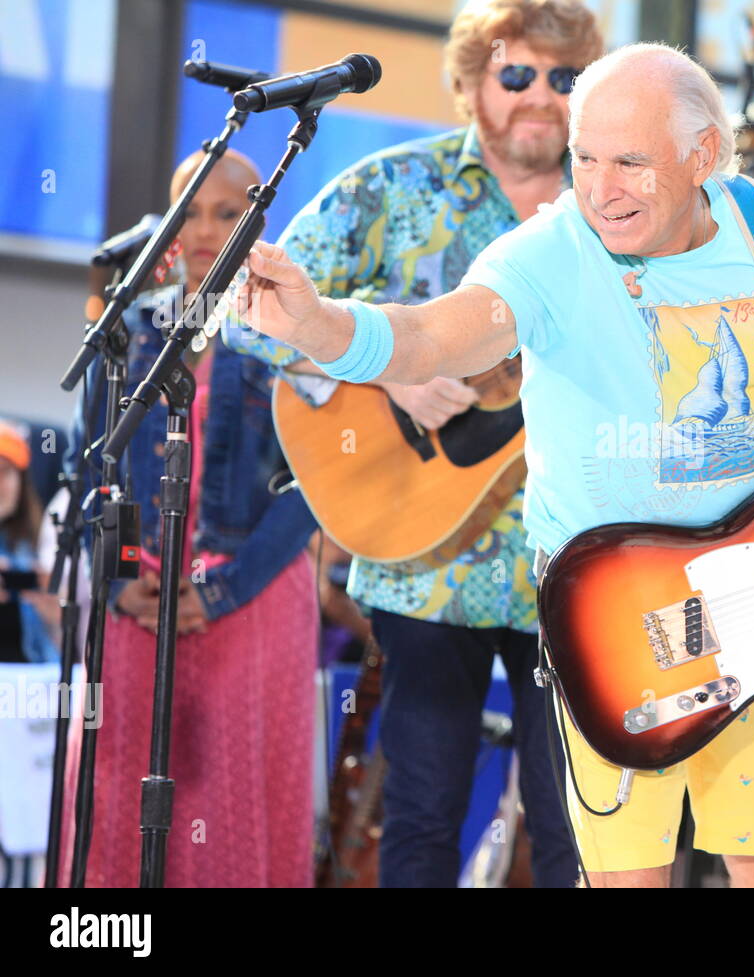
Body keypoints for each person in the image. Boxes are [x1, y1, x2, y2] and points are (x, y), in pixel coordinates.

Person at [232, 42, 754, 888]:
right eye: (585, 157)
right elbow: (429, 338)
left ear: (704, 156)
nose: (600, 187)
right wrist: (319, 328)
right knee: (625, 875)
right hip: (616, 622)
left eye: (631, 161)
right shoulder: (549, 251)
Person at [226, 0, 599, 887]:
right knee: (423, 814)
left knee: (578, 827)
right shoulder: (390, 189)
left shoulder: (613, 220)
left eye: (565, 79)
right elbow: (252, 314)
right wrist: (383, 370)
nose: (540, 96)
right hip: (422, 554)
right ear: (471, 85)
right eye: (516, 74)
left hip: (573, 563)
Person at [61, 148, 320, 888]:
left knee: (229, 802)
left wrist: (224, 589)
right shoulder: (126, 330)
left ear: (259, 222)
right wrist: (114, 584)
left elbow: (312, 487)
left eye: (228, 211)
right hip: (138, 601)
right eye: (188, 211)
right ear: (166, 229)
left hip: (252, 599)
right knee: (115, 795)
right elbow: (89, 468)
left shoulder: (297, 329)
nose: (205, 229)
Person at [0, 421, 59, 664]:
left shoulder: (44, 543)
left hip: (30, 688)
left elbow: (67, 654)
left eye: (4, 471)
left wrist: (56, 615)